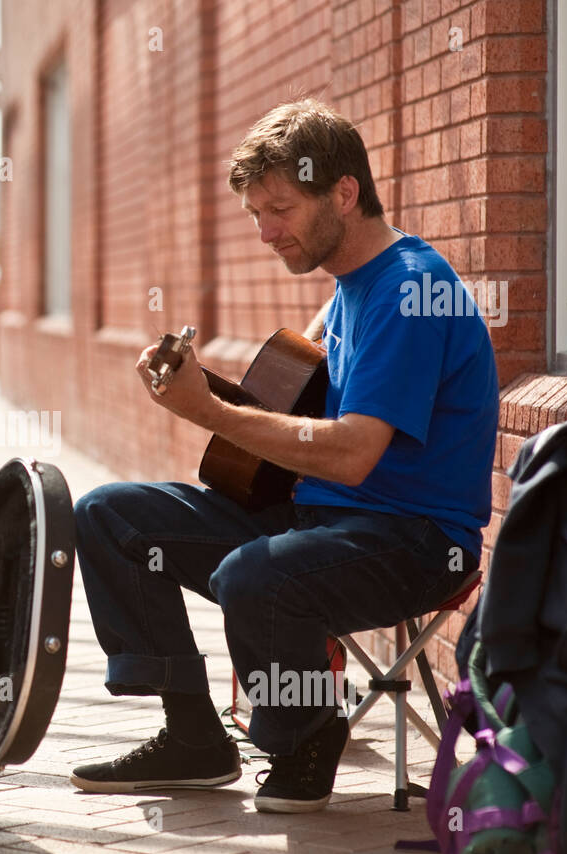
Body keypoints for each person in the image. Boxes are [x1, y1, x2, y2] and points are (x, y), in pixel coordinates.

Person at [69, 98, 500, 812]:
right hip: (321, 521)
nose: (267, 231)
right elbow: (287, 419)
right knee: (110, 515)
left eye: (281, 208)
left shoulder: (412, 290)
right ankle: (193, 736)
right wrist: (200, 386)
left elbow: (357, 453)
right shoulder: (343, 297)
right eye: (255, 214)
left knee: (254, 576)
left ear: (344, 192)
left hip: (413, 541)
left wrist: (208, 411)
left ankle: (307, 733)